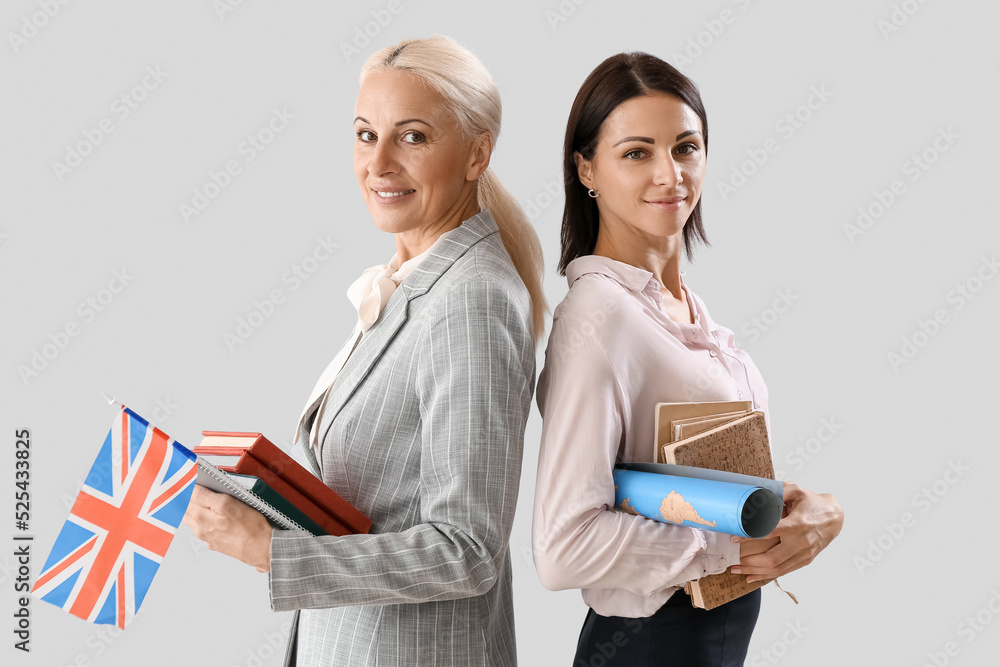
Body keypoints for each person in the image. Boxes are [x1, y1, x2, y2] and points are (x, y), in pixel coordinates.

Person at [184, 35, 546, 666]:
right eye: (363, 133)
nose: (378, 163)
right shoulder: (414, 280)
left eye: (412, 137)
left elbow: (468, 550)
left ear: (476, 153)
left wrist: (272, 551)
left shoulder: (472, 300)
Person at [531, 52, 844, 666]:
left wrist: (818, 513)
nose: (670, 174)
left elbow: (701, 482)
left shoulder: (683, 311)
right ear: (586, 168)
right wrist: (729, 547)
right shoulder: (600, 317)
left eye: (686, 147)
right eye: (636, 152)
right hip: (649, 644)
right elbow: (563, 547)